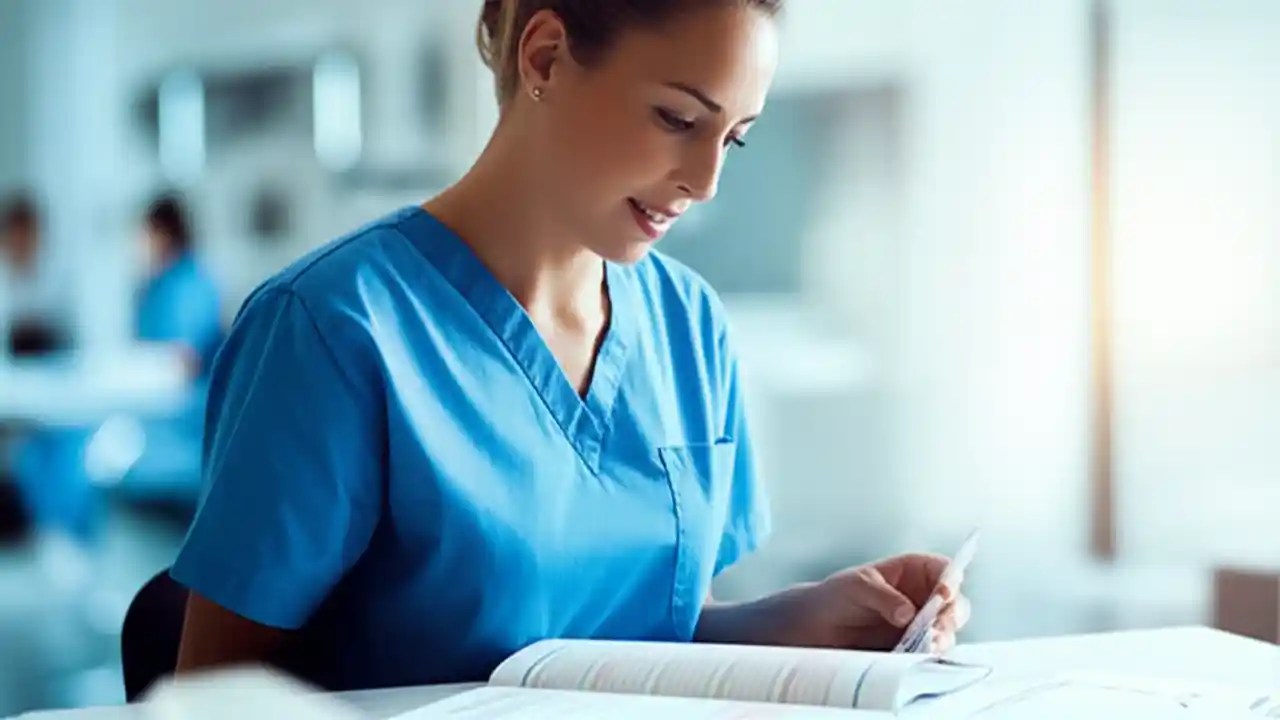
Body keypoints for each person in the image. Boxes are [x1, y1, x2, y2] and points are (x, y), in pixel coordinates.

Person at [171, 0, 972, 692]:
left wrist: (820, 616)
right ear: (546, 56)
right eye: (678, 119)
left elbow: (659, 639)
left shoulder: (689, 328)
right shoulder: (334, 329)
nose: (705, 180)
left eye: (732, 139)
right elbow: (215, 697)